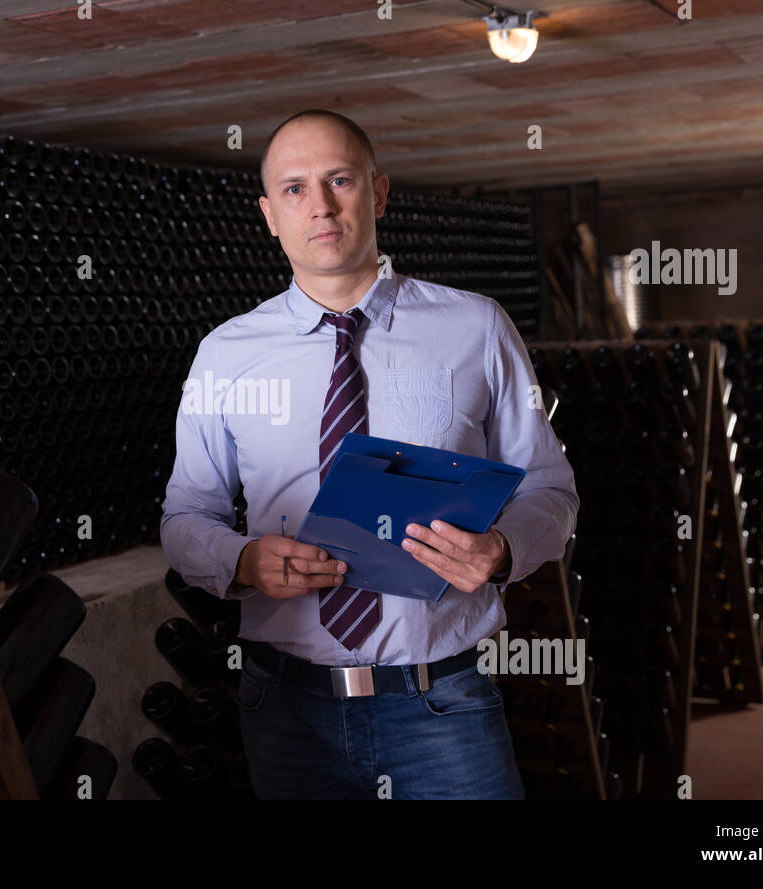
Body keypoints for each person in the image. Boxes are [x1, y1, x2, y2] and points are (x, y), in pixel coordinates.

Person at [159, 109, 579, 799]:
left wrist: (501, 548)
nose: (319, 205)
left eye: (339, 180)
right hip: (287, 711)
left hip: (441, 706)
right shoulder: (224, 354)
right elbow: (184, 516)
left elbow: (552, 490)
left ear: (378, 193)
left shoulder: (476, 327)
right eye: (294, 188)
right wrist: (240, 559)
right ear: (269, 214)